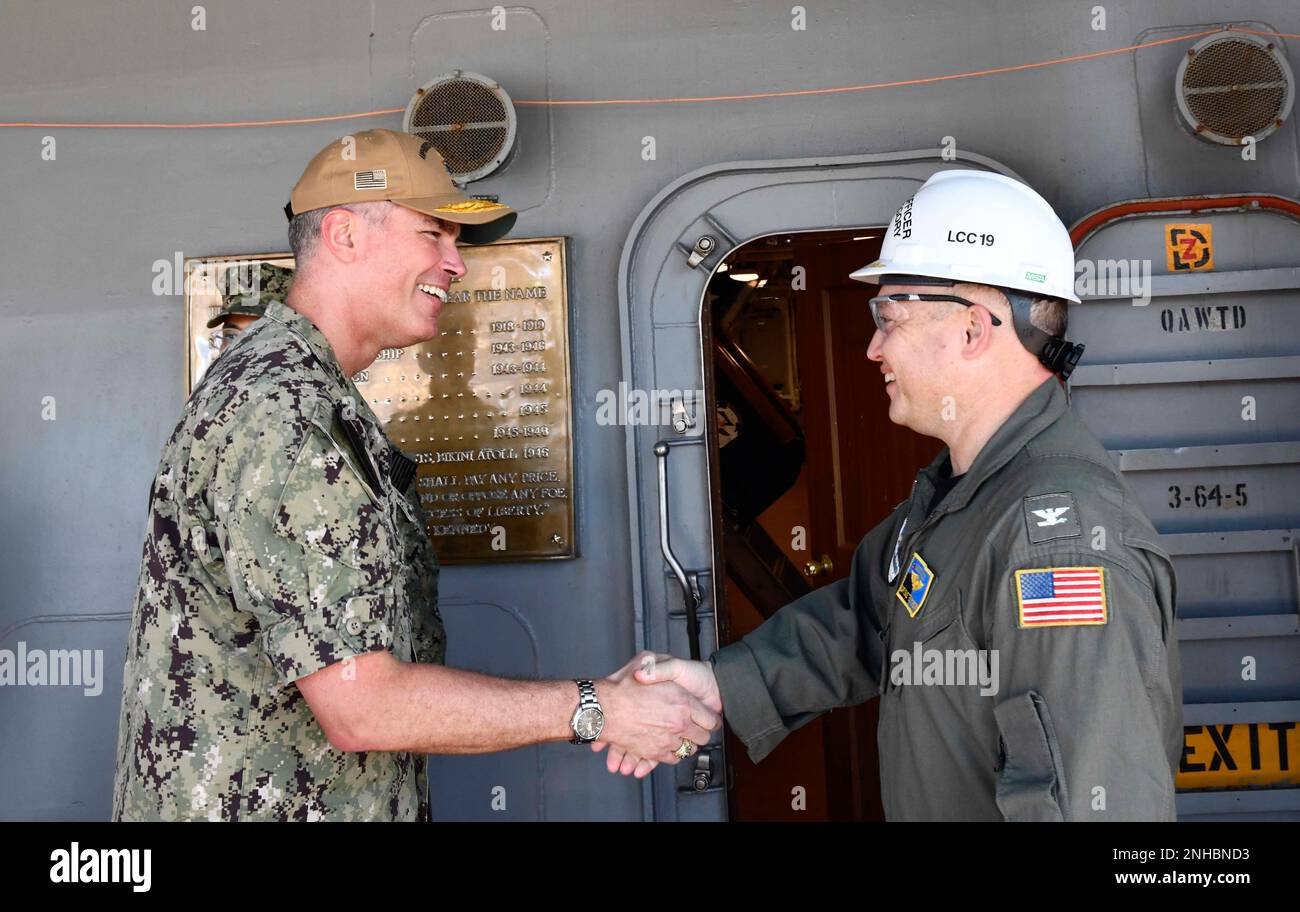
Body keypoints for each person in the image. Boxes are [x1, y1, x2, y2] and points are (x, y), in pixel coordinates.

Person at [112, 129, 718, 821]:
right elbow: (361, 707)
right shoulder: (286, 414)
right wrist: (595, 708)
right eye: (434, 233)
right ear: (344, 234)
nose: (455, 263)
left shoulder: (301, 392)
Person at [603, 170, 1183, 820]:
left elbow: (1095, 800)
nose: (874, 349)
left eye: (891, 320)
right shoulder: (959, 494)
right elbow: (867, 617)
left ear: (972, 330)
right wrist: (715, 686)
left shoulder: (1056, 540)